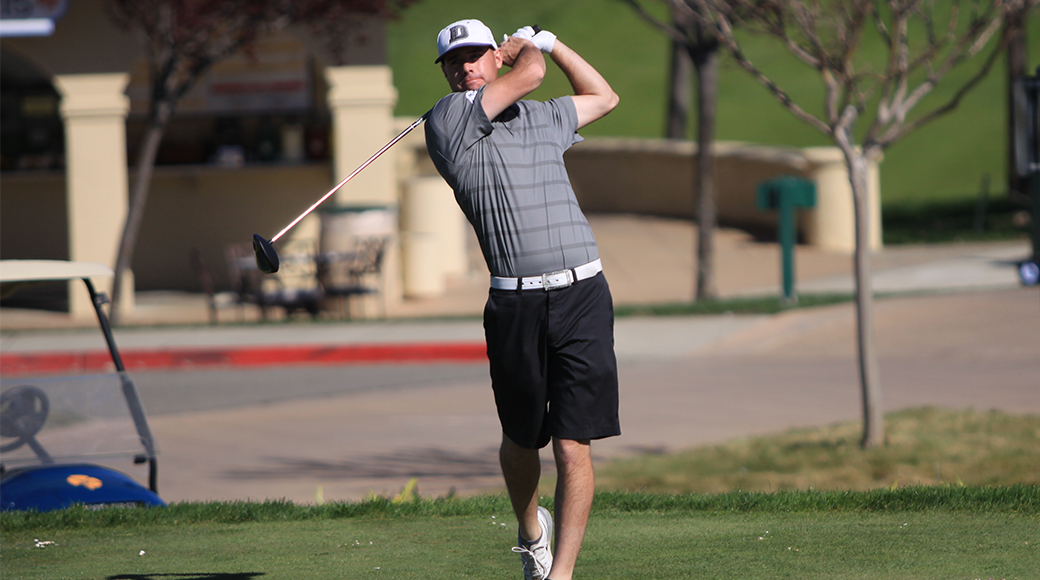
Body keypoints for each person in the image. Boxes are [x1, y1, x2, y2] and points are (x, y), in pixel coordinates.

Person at [424, 19, 621, 580]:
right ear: (444, 73)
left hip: (584, 290)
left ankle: (560, 574)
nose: (464, 68)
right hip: (516, 305)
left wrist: (555, 42)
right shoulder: (449, 119)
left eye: (475, 56)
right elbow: (531, 73)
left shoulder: (541, 117)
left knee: (571, 443)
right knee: (521, 439)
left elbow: (604, 97)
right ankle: (531, 529)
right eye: (453, 61)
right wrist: (526, 49)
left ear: (491, 58)